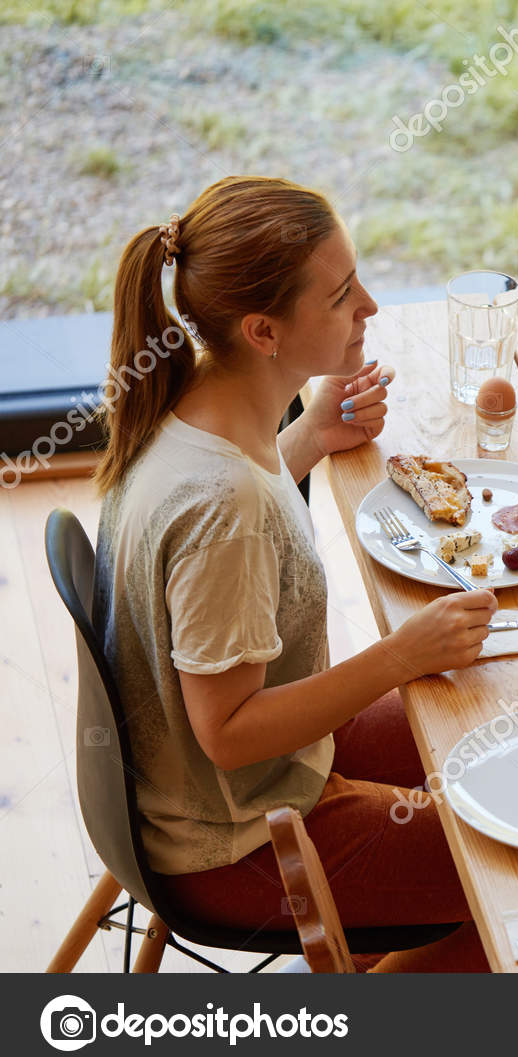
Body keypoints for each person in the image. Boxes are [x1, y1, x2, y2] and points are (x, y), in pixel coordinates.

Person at [92, 176, 497, 970]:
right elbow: (229, 733)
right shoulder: (226, 506)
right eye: (342, 296)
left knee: (488, 715)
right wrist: (400, 653)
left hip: (245, 780)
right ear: (263, 331)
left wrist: (310, 436)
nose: (370, 305)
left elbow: (230, 522)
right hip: (233, 841)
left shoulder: (193, 398)